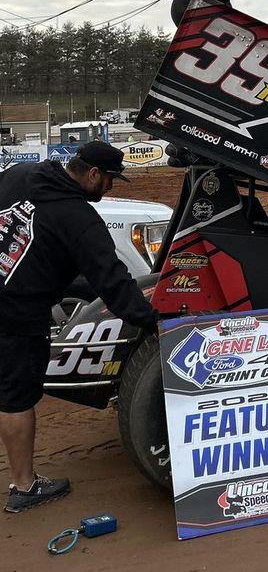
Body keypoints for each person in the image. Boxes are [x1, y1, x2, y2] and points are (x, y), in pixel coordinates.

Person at [0, 142, 158, 514]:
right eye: (109, 181)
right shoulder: (78, 217)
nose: (111, 189)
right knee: (16, 397)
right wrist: (154, 322)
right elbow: (114, 282)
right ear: (92, 175)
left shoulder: (21, 175)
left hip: (11, 293)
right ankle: (24, 486)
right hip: (17, 313)